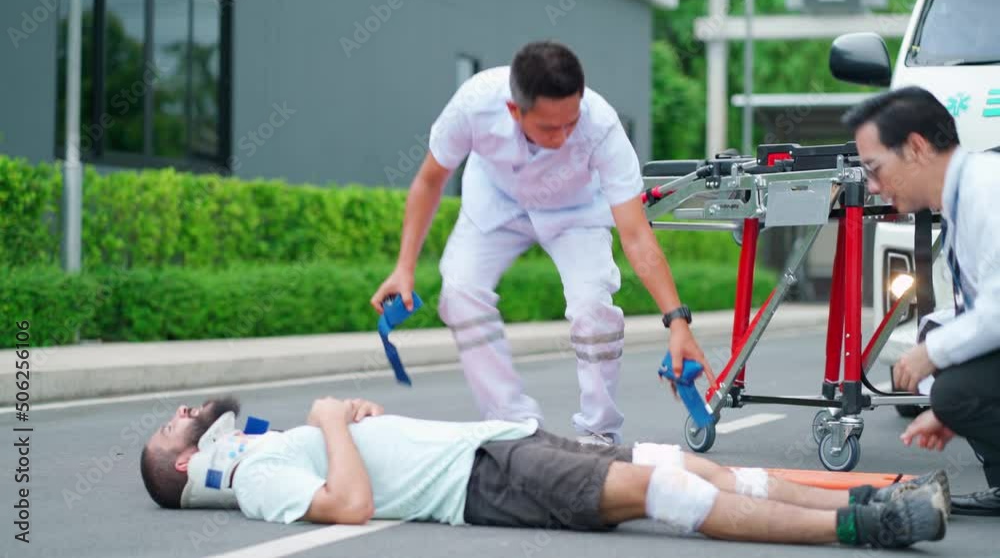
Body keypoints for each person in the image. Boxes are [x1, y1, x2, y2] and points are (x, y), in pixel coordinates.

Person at [369, 40, 713, 446]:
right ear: (515, 111)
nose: (564, 136)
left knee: (592, 308)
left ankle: (599, 432)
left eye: (571, 123)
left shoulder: (601, 125)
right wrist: (404, 267)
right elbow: (430, 180)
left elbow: (636, 234)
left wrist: (677, 321)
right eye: (550, 127)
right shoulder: (474, 104)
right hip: (496, 201)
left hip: (576, 211)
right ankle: (512, 422)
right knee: (458, 292)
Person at [139, 395, 950, 549]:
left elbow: (351, 468)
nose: (182, 410)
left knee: (684, 461)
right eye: (172, 424)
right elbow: (346, 505)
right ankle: (860, 526)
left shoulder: (267, 446)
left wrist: (351, 423)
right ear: (187, 459)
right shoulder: (250, 477)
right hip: (481, 482)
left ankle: (879, 496)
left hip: (496, 443)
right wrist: (326, 420)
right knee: (661, 492)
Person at [844, 86, 1000, 516]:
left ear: (916, 148)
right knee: (954, 377)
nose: (872, 187)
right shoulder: (964, 195)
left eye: (875, 169)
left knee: (949, 377)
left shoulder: (988, 192)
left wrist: (929, 356)